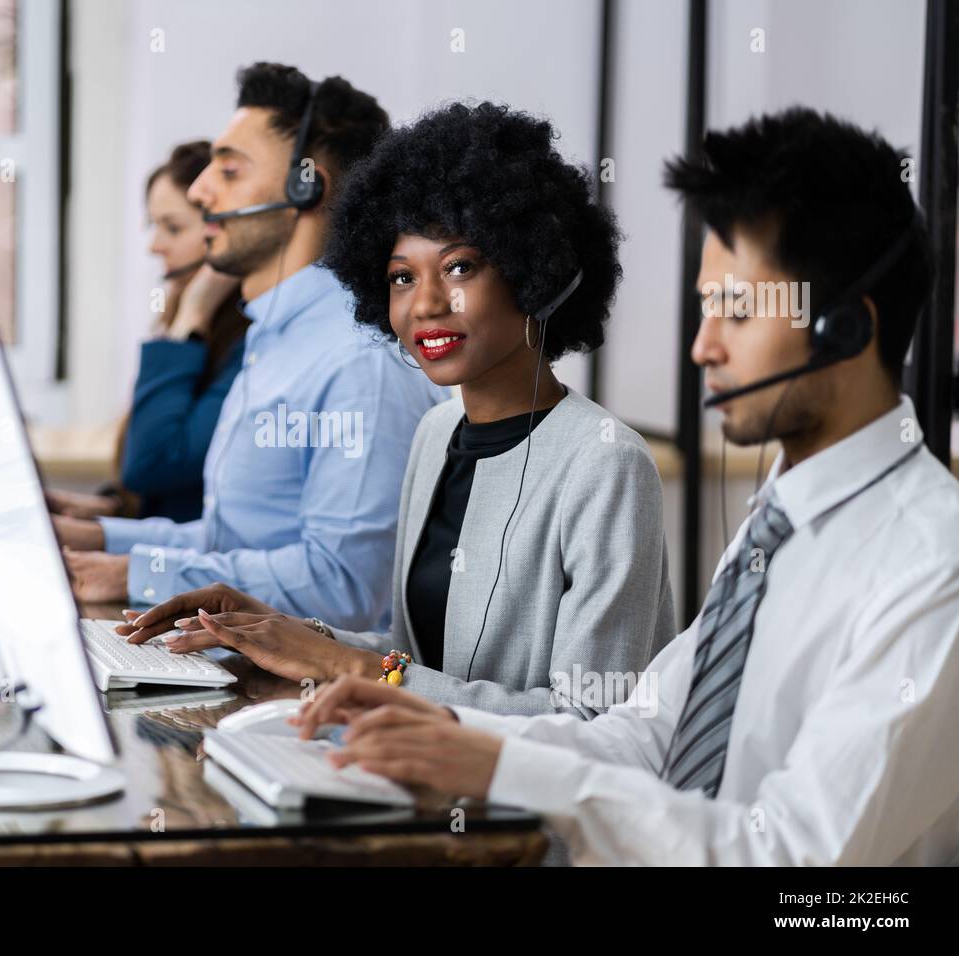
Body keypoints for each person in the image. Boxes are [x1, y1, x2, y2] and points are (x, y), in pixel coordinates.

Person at [291, 108, 959, 866]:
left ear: (846, 328)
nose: (703, 346)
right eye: (708, 308)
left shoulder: (932, 567)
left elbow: (796, 865)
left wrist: (495, 763)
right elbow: (640, 732)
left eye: (738, 310)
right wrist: (440, 729)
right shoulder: (781, 521)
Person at [119, 103, 675, 715]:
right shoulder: (437, 433)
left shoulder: (604, 463)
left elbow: (594, 726)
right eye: (402, 277)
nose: (426, 303)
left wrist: (349, 666)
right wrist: (292, 635)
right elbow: (423, 665)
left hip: (523, 806)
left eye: (460, 267)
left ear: (530, 271)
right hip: (414, 777)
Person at [57, 63, 444, 631]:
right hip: (238, 655)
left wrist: (134, 575)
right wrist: (101, 542)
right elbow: (232, 537)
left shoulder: (361, 362)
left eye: (230, 171)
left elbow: (343, 584)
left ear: (306, 186)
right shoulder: (273, 337)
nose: (199, 190)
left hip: (303, 701)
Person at [46, 141, 248, 524]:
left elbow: (152, 462)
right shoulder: (189, 323)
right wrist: (108, 509)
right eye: (153, 226)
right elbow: (166, 483)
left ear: (222, 229)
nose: (155, 246)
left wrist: (192, 317)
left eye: (172, 227)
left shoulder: (250, 343)